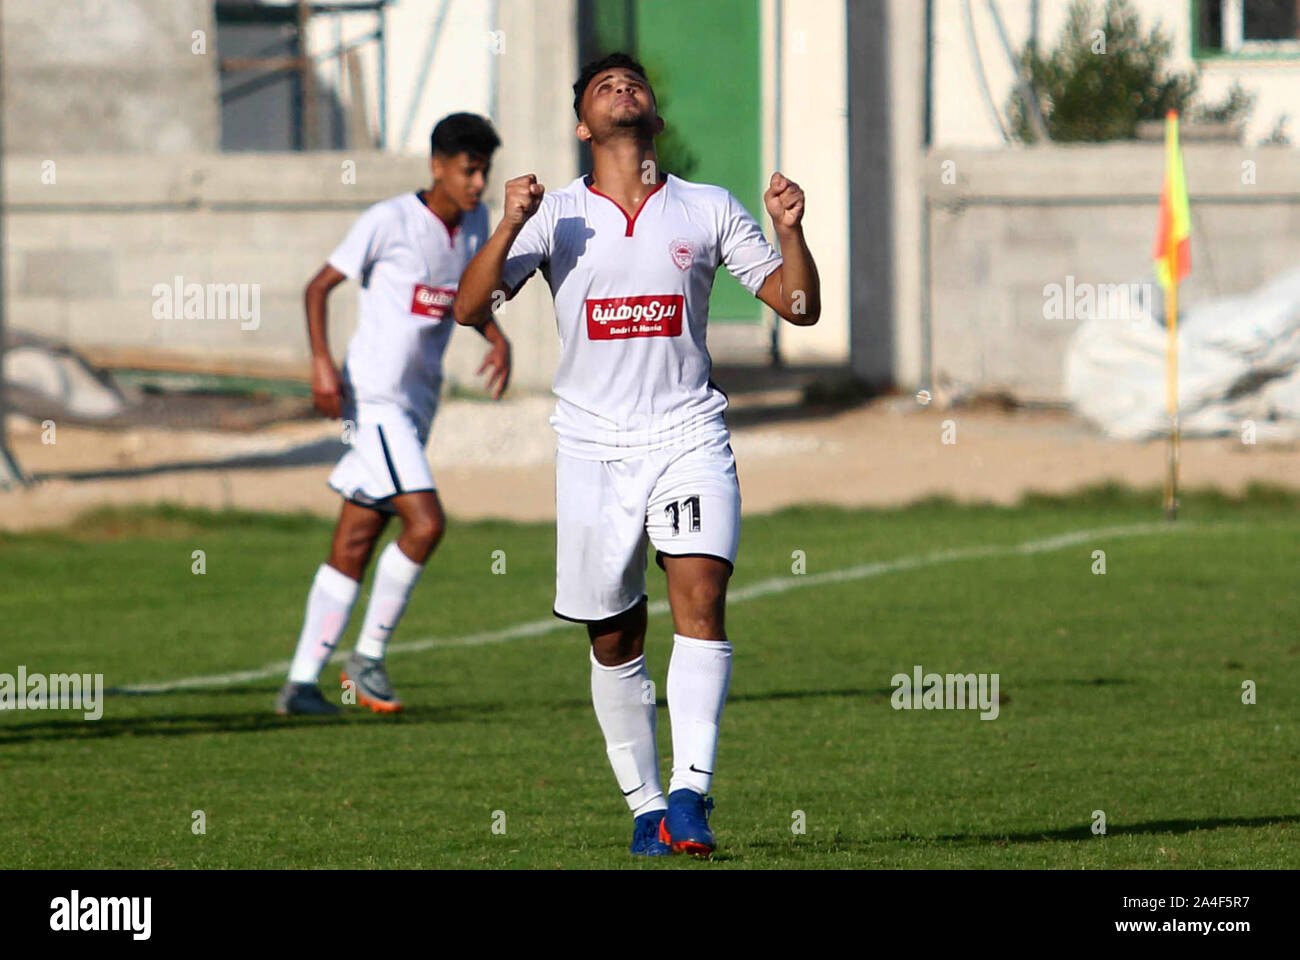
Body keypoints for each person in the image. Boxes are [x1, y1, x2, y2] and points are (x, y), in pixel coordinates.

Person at [453, 54, 820, 856]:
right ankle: (646, 806)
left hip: (688, 431)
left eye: (635, 83)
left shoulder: (708, 207)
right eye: (601, 86)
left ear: (653, 113)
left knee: (702, 594)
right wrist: (510, 223)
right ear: (584, 124)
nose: (622, 88)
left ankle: (691, 793)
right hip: (590, 447)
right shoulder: (555, 216)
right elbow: (468, 306)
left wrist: (792, 233)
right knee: (614, 637)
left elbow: (798, 307)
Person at [276, 113, 510, 716]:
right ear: (437, 165)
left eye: (484, 170)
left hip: (417, 405)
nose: (478, 182)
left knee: (357, 537)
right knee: (426, 523)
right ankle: (368, 658)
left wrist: (496, 336)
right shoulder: (389, 220)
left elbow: (464, 298)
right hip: (373, 399)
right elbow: (316, 287)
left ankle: (301, 685)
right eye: (468, 170)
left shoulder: (475, 223)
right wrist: (322, 364)